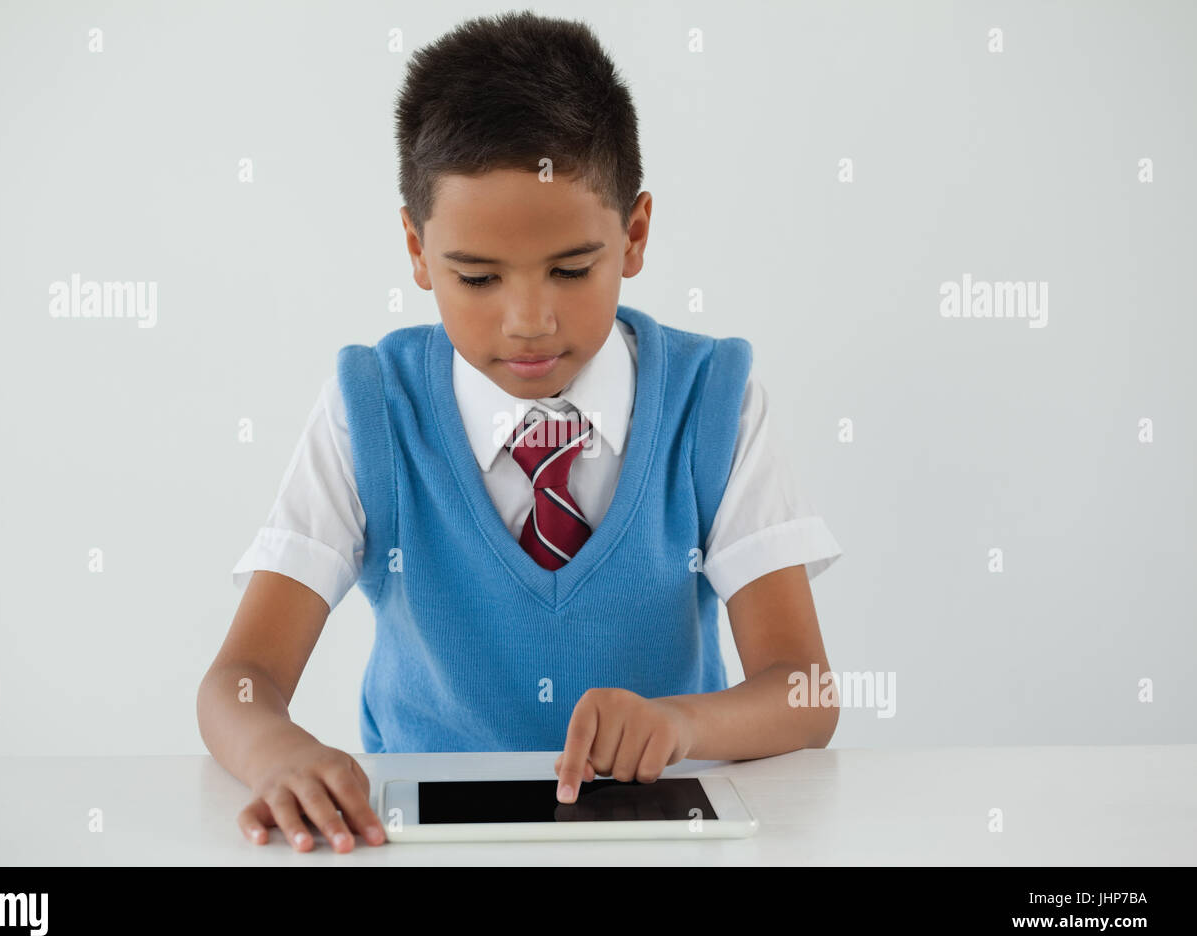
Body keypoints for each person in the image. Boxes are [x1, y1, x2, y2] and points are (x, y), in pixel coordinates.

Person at [198, 10, 843, 854]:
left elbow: (805, 692)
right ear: (417, 250)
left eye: (573, 270)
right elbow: (238, 683)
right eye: (476, 277)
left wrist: (680, 724)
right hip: (422, 846)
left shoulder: (711, 400)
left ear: (635, 235)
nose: (529, 321)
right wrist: (278, 750)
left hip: (652, 839)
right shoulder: (372, 408)